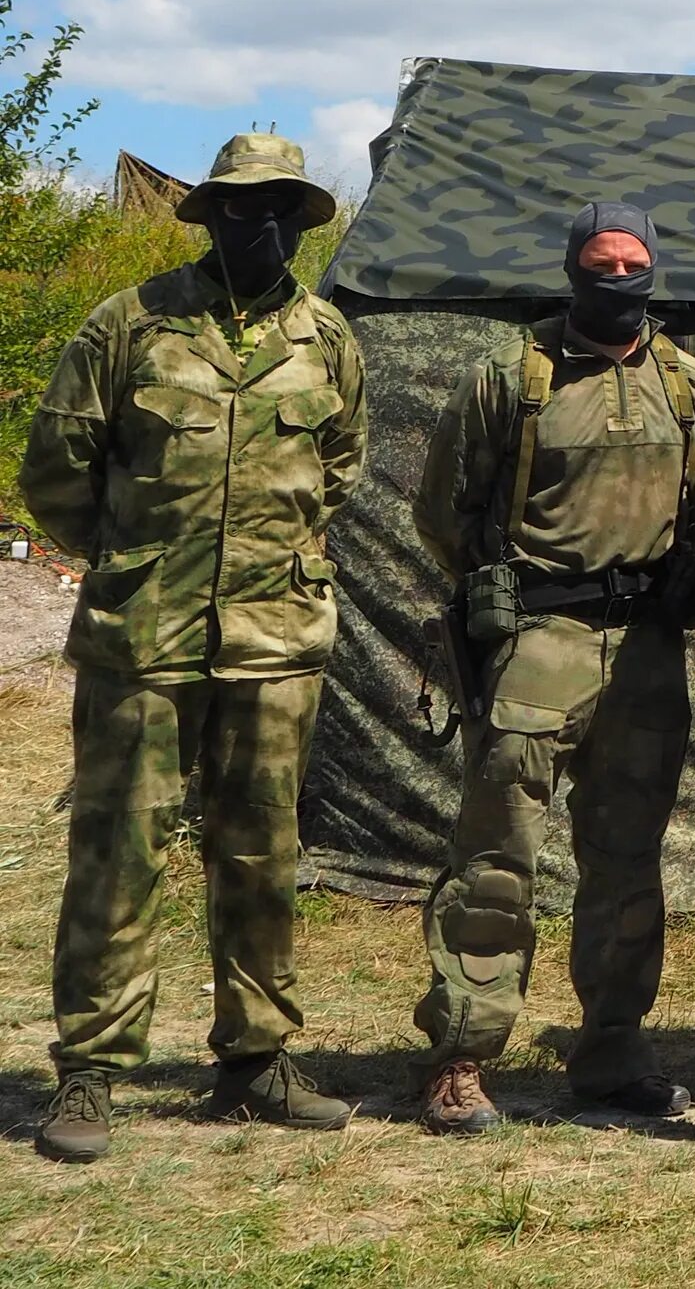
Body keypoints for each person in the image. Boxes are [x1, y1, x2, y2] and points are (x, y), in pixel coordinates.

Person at [17, 133, 363, 1164]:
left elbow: (336, 470)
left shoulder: (329, 339)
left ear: (303, 223)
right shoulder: (130, 325)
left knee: (263, 855)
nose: (258, 226)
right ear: (207, 214)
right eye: (239, 208)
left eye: (280, 212)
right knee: (118, 850)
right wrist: (138, 560)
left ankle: (255, 1061)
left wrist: (269, 558)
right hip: (144, 638)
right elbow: (58, 472)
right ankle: (90, 1069)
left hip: (275, 640)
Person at [409, 201, 695, 1136]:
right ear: (571, 269)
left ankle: (614, 1052)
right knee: (498, 858)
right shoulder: (513, 374)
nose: (619, 278)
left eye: (635, 263)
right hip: (537, 646)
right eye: (601, 262)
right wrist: (497, 595)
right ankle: (461, 1057)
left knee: (627, 866)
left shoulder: (689, 381)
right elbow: (444, 507)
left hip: (646, 657)